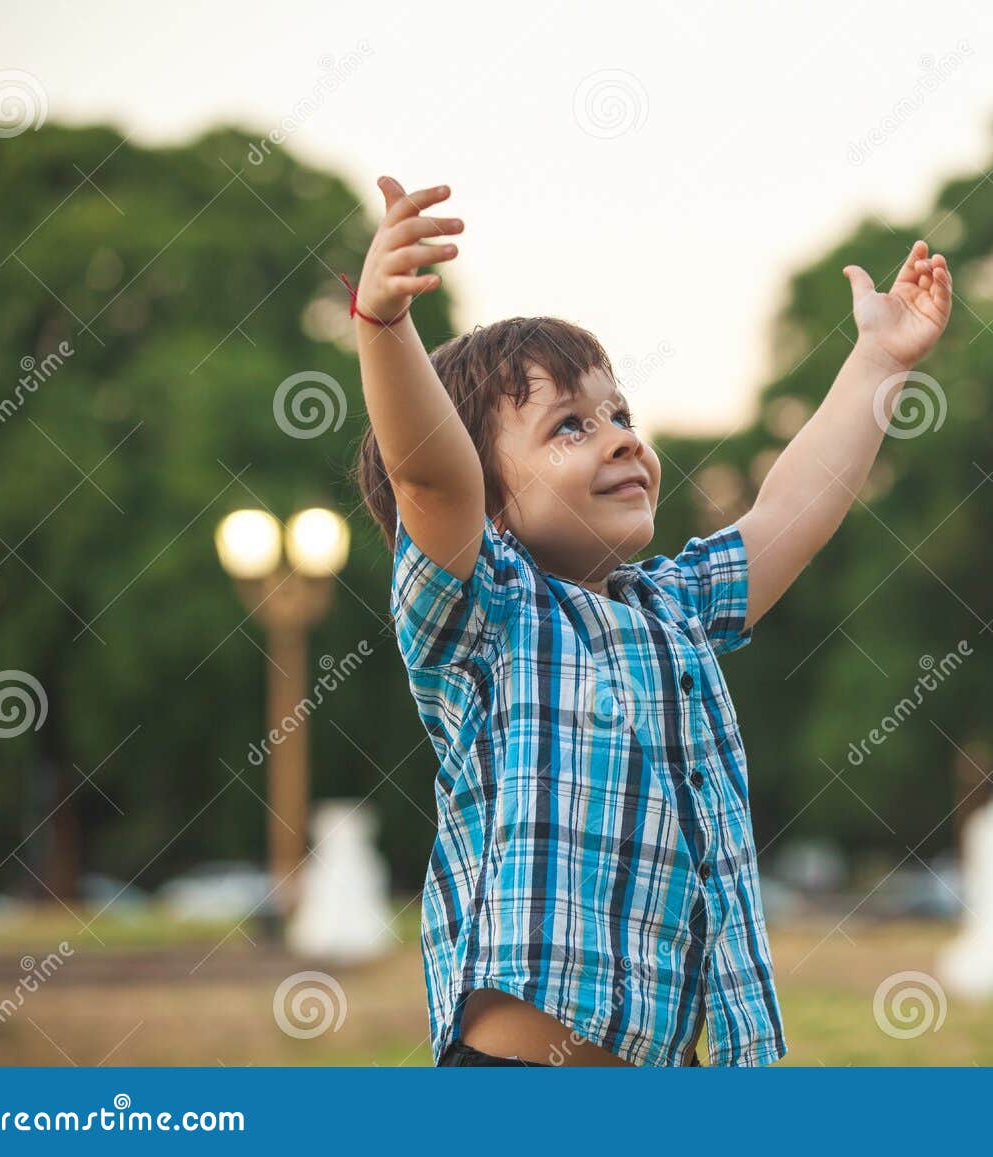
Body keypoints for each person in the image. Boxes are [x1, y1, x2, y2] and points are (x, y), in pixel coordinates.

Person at [350, 175, 952, 1066]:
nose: (621, 437)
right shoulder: (484, 618)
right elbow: (433, 477)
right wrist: (385, 329)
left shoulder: (672, 607)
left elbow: (791, 508)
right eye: (568, 427)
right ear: (493, 510)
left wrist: (877, 363)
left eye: (619, 413)